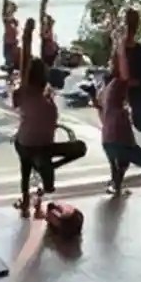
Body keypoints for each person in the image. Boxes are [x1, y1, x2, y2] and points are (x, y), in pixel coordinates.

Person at [12, 20, 87, 216]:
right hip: (33, 147)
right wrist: (27, 35)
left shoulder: (35, 93)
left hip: (33, 146)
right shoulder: (27, 92)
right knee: (30, 168)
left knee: (28, 169)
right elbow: (25, 63)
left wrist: (28, 35)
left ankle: (32, 192)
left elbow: (25, 65)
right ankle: (33, 190)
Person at [97, 28, 141, 196]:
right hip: (120, 136)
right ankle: (116, 184)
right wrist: (121, 45)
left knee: (120, 164)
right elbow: (125, 70)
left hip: (106, 138)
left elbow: (99, 109)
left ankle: (116, 186)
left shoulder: (105, 87)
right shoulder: (119, 83)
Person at [1, 0, 20, 85]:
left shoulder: (14, 20)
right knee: (9, 63)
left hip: (14, 44)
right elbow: (4, 9)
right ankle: (9, 81)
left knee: (14, 63)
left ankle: (12, 80)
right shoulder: (6, 19)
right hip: (8, 43)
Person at [39, 0, 59, 67]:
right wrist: (43, 5)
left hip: (51, 51)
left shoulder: (49, 28)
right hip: (47, 53)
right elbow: (42, 16)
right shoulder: (45, 27)